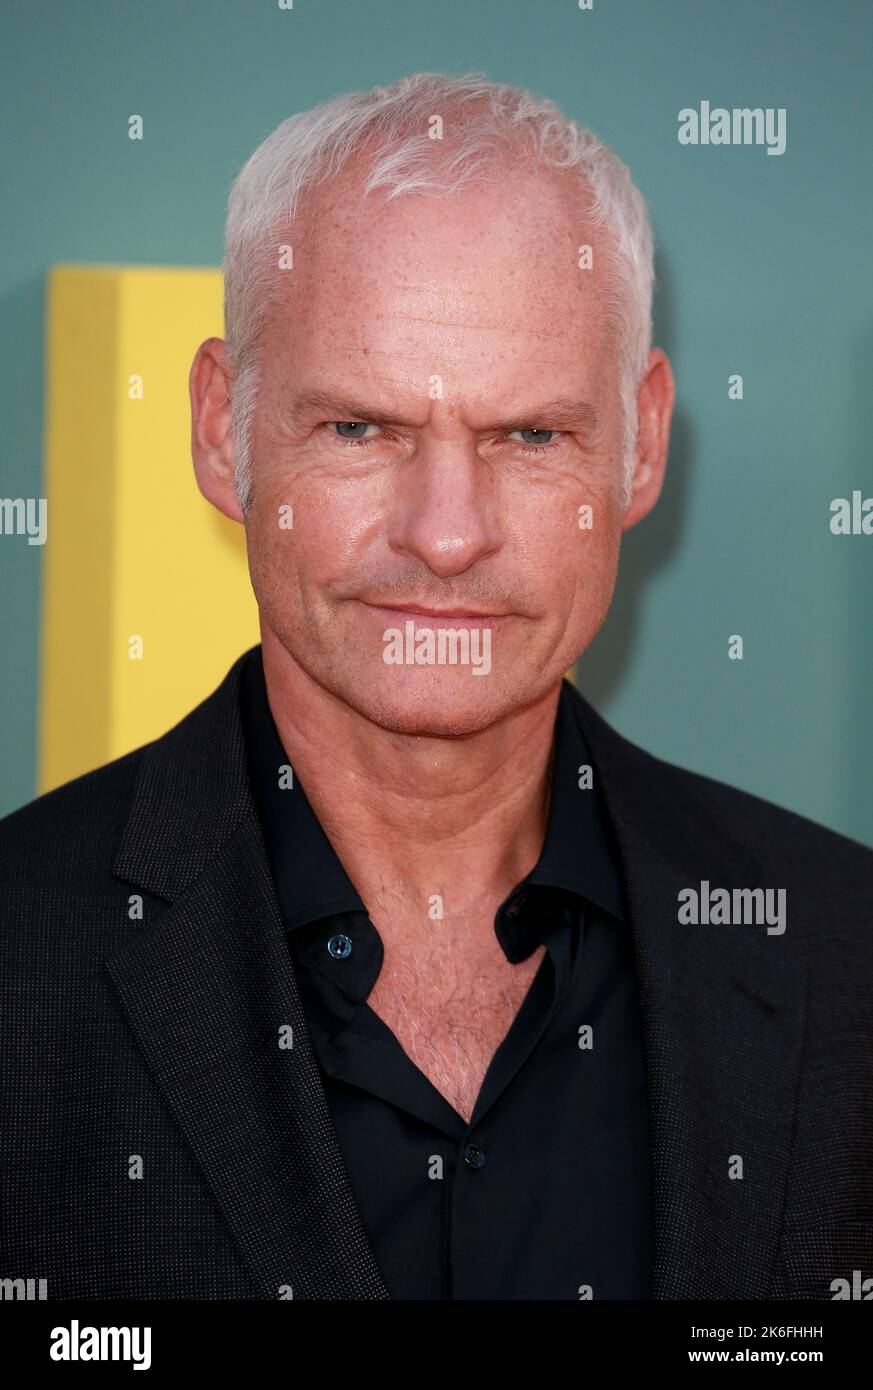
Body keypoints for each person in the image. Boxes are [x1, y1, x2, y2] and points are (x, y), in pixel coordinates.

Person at [2, 72, 871, 1301]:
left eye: (531, 437)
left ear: (642, 445)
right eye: (360, 428)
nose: (448, 535)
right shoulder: (19, 961)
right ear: (220, 429)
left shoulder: (845, 954)